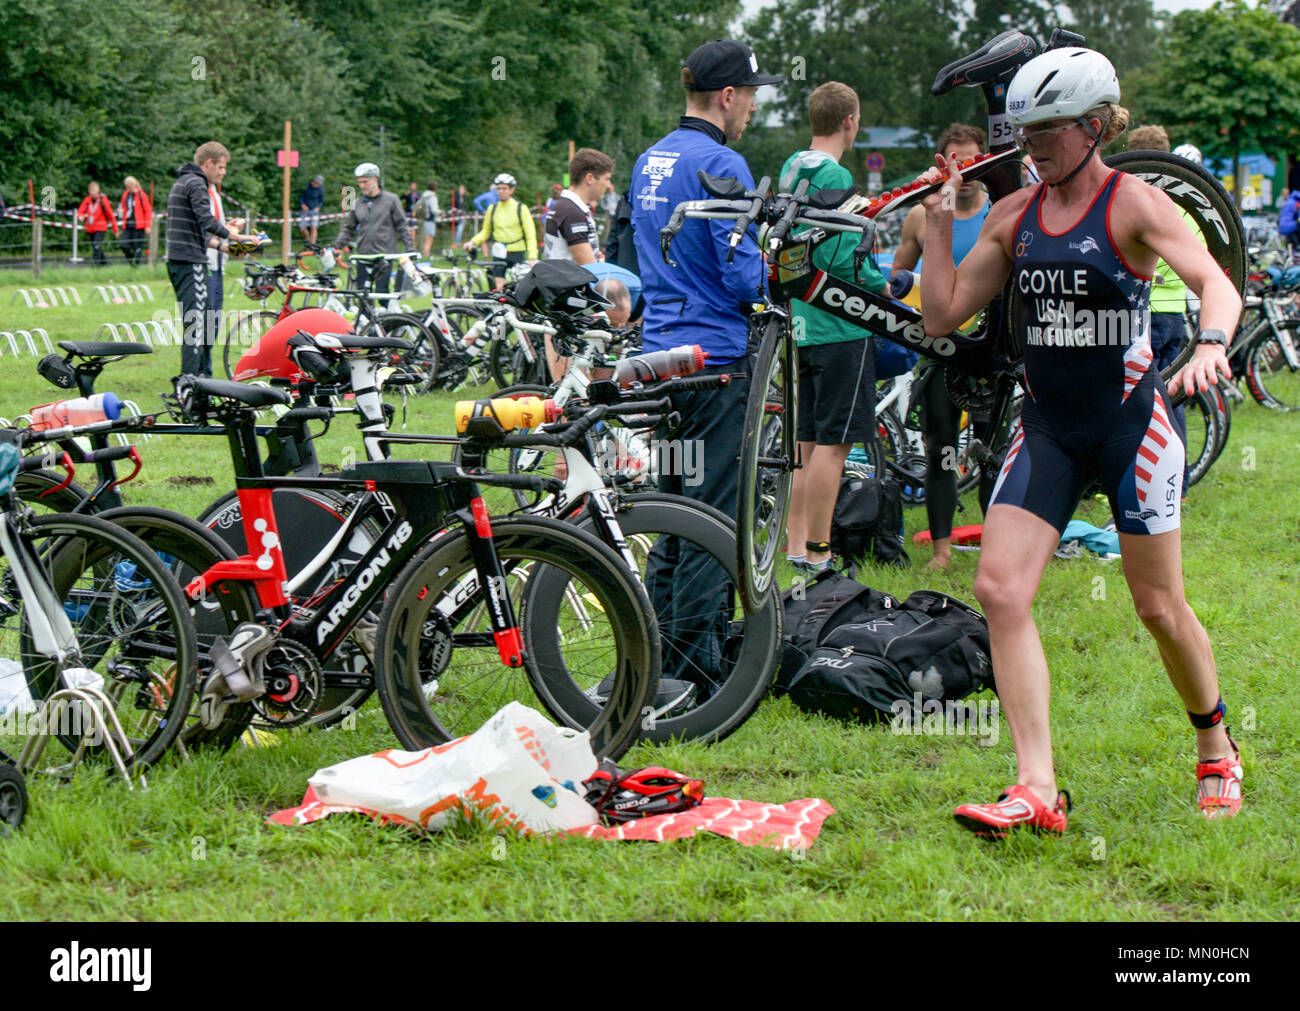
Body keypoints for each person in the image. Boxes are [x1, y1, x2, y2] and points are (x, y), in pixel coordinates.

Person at [913, 48, 1243, 836]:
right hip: (1050, 429)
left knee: (1157, 606)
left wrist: (1209, 345)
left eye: (1049, 132)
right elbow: (941, 315)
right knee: (998, 590)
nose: (1033, 146)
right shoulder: (1013, 214)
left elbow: (1216, 280)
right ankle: (1036, 786)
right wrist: (933, 224)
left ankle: (1215, 743)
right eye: (1024, 131)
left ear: (1094, 128)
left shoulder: (1134, 204)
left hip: (1131, 427)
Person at [630, 38, 781, 691]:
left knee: (667, 509)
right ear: (727, 96)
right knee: (713, 516)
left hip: (658, 356)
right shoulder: (724, 163)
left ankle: (653, 655)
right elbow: (743, 273)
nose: (750, 110)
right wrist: (777, 276)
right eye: (749, 97)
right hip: (715, 357)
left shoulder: (648, 159)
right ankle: (695, 669)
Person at [780, 82, 885, 575]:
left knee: (804, 442)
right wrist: (884, 283)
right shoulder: (836, 175)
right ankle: (821, 553)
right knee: (834, 445)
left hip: (800, 323)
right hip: (840, 327)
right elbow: (845, 262)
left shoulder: (791, 168)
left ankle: (795, 545)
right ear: (851, 120)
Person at [889, 123, 991, 571]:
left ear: (985, 158)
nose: (963, 170)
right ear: (942, 162)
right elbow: (895, 282)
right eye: (955, 161)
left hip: (991, 350)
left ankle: (1000, 547)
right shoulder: (920, 216)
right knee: (941, 451)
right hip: (940, 352)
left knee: (993, 451)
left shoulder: (1003, 210)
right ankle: (942, 551)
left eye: (971, 159)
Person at [165, 141, 257, 376]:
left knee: (205, 322)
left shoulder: (183, 181)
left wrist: (224, 246)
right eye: (221, 167)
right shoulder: (197, 184)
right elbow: (206, 221)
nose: (223, 172)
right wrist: (237, 236)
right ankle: (190, 381)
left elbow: (198, 229)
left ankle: (203, 377)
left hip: (183, 259)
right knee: (196, 325)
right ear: (208, 163)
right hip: (191, 262)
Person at [334, 162, 414, 294]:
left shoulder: (391, 200)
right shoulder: (356, 203)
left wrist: (409, 248)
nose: (361, 185)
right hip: (364, 255)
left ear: (375, 180)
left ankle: (389, 314)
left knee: (382, 293)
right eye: (359, 182)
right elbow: (348, 229)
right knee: (362, 294)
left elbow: (402, 225)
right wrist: (336, 246)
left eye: (365, 181)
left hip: (384, 255)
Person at [465, 173, 537, 291]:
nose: (501, 191)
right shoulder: (492, 209)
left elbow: (530, 234)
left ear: (511, 190)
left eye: (504, 188)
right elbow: (485, 232)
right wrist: (472, 242)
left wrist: (532, 256)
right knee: (499, 288)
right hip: (499, 251)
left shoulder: (520, 208)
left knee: (520, 290)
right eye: (499, 188)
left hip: (517, 251)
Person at [544, 148, 613, 264]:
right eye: (607, 179)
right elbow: (589, 267)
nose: (608, 185)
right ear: (590, 178)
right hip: (569, 281)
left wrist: (596, 256)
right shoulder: (572, 212)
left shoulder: (567, 206)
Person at [77, 181, 118, 267]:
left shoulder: (103, 200)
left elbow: (110, 215)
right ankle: (105, 262)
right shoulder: (87, 200)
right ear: (89, 191)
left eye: (94, 190)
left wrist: (115, 229)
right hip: (91, 227)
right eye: (91, 190)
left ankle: (96, 265)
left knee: (96, 245)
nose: (93, 192)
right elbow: (80, 210)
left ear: (98, 190)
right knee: (95, 245)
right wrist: (80, 216)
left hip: (100, 227)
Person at [118, 176, 152, 266]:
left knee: (137, 248)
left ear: (134, 185)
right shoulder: (125, 195)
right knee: (124, 245)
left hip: (139, 226)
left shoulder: (142, 195)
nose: (127, 188)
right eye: (126, 187)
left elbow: (147, 210)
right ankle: (131, 261)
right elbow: (123, 207)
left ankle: (136, 267)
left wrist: (148, 225)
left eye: (129, 186)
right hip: (128, 225)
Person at [299, 174, 325, 244]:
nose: (318, 185)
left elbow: (321, 201)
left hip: (314, 210)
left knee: (314, 227)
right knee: (302, 228)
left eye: (319, 184)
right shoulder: (306, 187)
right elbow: (301, 198)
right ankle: (307, 238)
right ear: (313, 181)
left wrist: (318, 207)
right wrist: (303, 204)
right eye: (317, 183)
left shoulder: (320, 189)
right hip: (305, 210)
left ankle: (312, 244)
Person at [418, 180, 441, 258]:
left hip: (425, 218)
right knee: (429, 238)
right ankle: (426, 254)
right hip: (430, 219)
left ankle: (425, 253)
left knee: (426, 237)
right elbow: (434, 210)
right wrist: (440, 212)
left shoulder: (424, 195)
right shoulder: (432, 197)